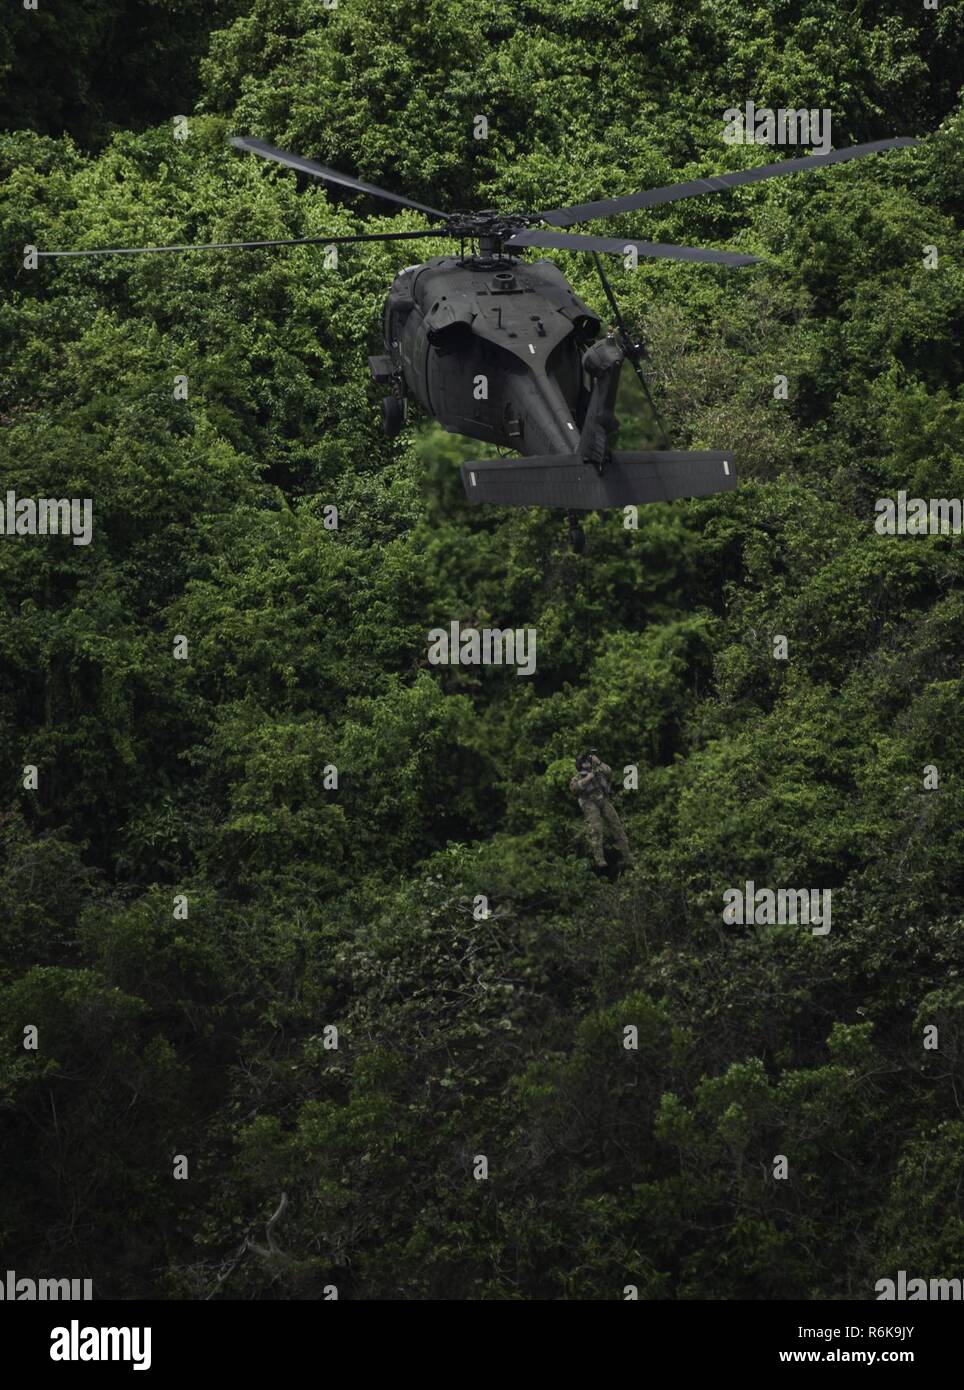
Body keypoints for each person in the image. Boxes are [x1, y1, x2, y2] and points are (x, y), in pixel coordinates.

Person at [570, 750, 633, 870]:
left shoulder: (597, 770)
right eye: (585, 762)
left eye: (588, 762)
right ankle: (599, 859)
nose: (588, 764)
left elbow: (609, 772)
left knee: (617, 826)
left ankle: (627, 855)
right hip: (589, 802)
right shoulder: (577, 777)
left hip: (602, 799)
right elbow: (574, 789)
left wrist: (598, 762)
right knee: (596, 829)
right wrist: (587, 778)